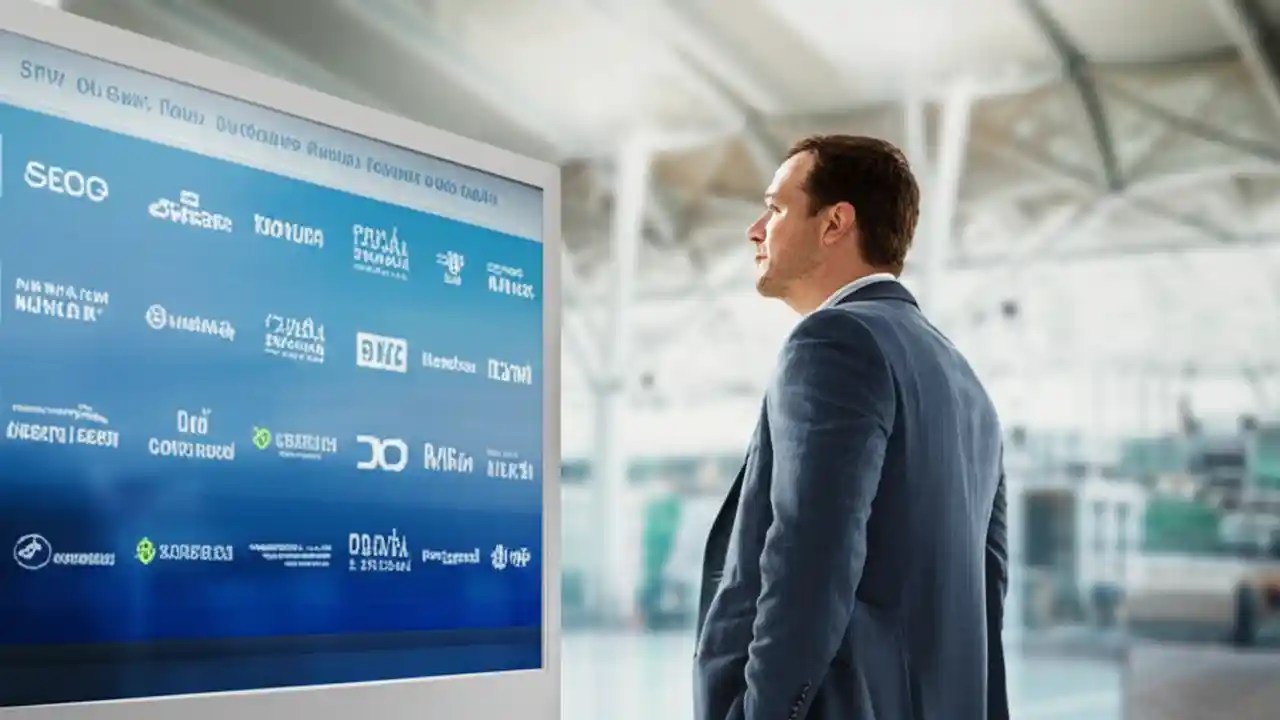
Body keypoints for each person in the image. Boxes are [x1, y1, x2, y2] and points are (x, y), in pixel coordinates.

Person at [693, 135, 1008, 720]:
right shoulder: (966, 386)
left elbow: (807, 565)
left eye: (777, 207)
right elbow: (987, 607)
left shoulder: (833, 343)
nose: (755, 230)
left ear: (835, 222)